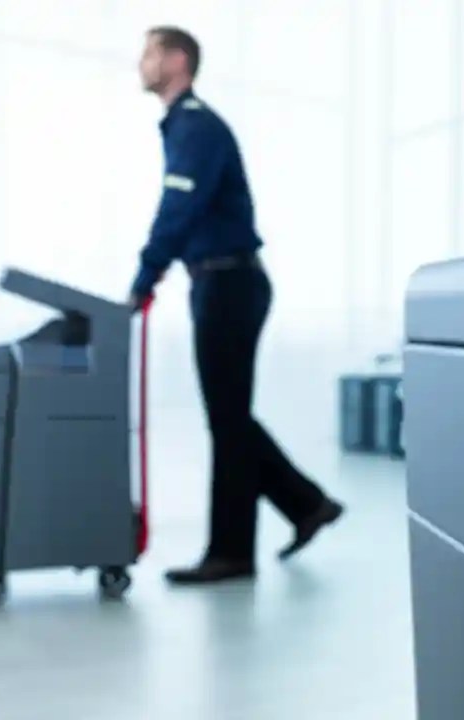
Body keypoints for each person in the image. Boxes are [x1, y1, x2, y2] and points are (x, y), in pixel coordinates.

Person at [128, 26, 344, 585]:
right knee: (230, 419)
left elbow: (177, 207)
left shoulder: (195, 125)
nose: (142, 63)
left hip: (229, 283)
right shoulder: (186, 124)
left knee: (227, 420)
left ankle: (234, 551)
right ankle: (305, 505)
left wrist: (143, 279)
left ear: (178, 61)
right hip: (220, 282)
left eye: (150, 53)